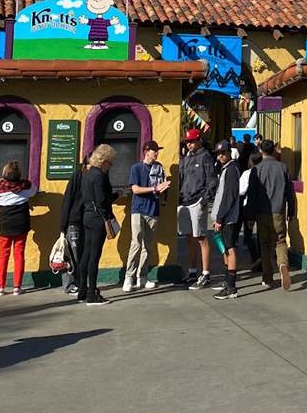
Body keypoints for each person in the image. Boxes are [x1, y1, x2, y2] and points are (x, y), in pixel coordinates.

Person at [0, 159, 37, 296]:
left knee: (3, 255)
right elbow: (34, 190)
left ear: (5, 174)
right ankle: (17, 287)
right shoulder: (26, 187)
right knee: (19, 255)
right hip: (22, 225)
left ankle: (0, 287)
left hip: (6, 226)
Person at [124, 141, 169, 292]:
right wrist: (154, 188)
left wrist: (164, 192)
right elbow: (135, 189)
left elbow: (162, 187)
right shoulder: (136, 168)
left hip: (153, 210)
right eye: (154, 150)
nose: (156, 153)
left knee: (148, 246)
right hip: (138, 209)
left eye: (157, 150)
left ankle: (142, 277)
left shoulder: (159, 168)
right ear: (146, 151)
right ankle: (128, 278)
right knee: (136, 243)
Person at [251, 138, 296, 291]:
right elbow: (290, 192)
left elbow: (252, 194)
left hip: (262, 212)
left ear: (261, 151)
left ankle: (267, 277)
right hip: (278, 211)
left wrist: (250, 214)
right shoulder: (283, 168)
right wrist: (291, 210)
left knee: (264, 245)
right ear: (274, 150)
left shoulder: (256, 169)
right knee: (280, 241)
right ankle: (283, 264)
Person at [76, 145, 117, 305]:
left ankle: (82, 290)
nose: (111, 166)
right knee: (94, 256)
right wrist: (114, 197)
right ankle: (92, 293)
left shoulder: (86, 174)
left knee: (86, 254)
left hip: (87, 215)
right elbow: (102, 200)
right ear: (104, 161)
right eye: (110, 162)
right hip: (98, 217)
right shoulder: (100, 176)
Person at [178, 129, 217, 289]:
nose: (189, 144)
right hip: (185, 201)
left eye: (192, 141)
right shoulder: (186, 158)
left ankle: (206, 274)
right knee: (189, 238)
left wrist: (204, 199)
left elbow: (212, 180)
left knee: (201, 237)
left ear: (199, 140)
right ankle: (192, 271)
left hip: (197, 201)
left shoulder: (205, 156)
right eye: (187, 142)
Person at [210, 141, 242, 300]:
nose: (220, 155)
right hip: (224, 217)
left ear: (229, 152)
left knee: (230, 248)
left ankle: (231, 287)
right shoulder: (226, 169)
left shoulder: (231, 170)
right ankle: (227, 280)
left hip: (229, 218)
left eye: (223, 152)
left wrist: (220, 218)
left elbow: (228, 196)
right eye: (218, 153)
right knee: (225, 248)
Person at [58, 156, 88, 295]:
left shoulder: (90, 177)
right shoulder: (78, 176)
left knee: (81, 254)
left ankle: (79, 283)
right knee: (72, 255)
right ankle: (69, 285)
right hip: (74, 221)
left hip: (84, 221)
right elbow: (67, 200)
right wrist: (63, 227)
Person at [238, 150, 262, 271]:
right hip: (264, 206)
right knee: (261, 234)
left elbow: (241, 190)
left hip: (249, 206)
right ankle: (262, 259)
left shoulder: (247, 173)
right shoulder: (264, 171)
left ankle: (255, 258)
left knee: (248, 234)